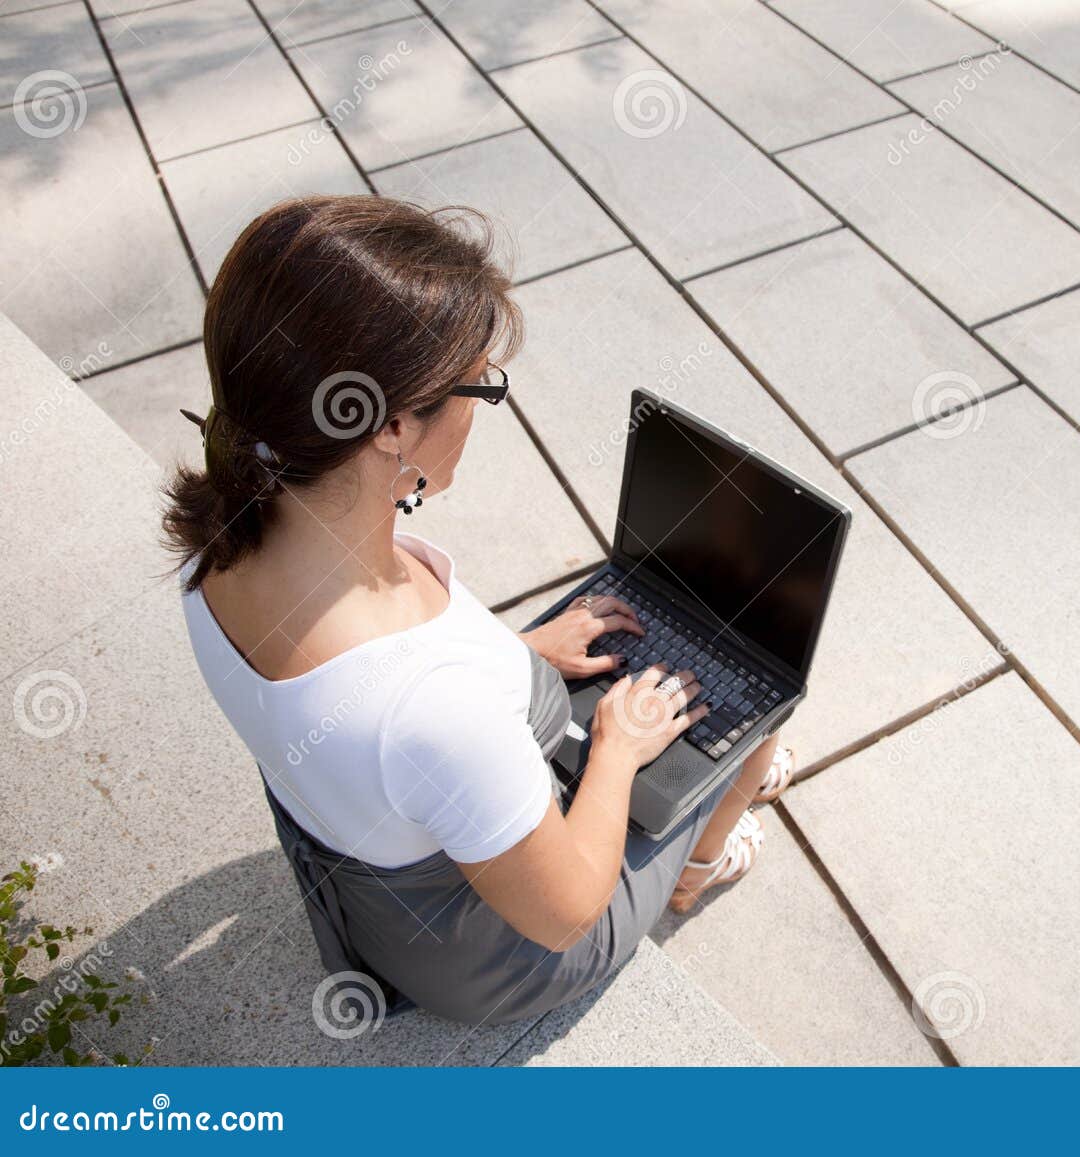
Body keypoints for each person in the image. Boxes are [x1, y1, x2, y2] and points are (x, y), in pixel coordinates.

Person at [162, 195, 796, 1025]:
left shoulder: (220, 545)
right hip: (506, 954)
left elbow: (382, 713)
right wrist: (615, 746)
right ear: (388, 424)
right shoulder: (435, 708)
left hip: (382, 876)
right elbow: (566, 909)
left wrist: (522, 653)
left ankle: (712, 788)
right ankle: (702, 862)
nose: (481, 408)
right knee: (764, 704)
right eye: (479, 385)